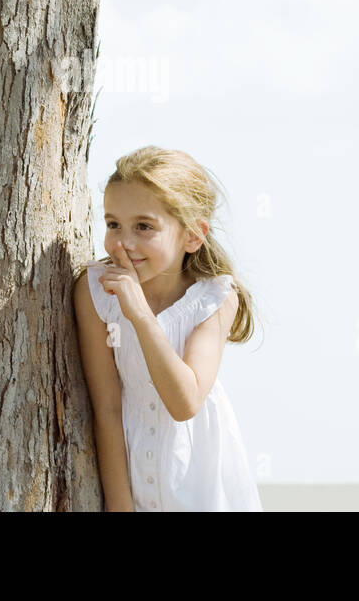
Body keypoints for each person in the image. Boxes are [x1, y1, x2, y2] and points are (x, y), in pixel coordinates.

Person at [74, 146, 263, 511]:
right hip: (131, 474)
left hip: (200, 486)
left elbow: (184, 402)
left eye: (143, 226)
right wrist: (121, 507)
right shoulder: (95, 293)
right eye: (113, 224)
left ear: (192, 237)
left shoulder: (215, 299)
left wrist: (140, 314)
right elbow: (107, 409)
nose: (123, 243)